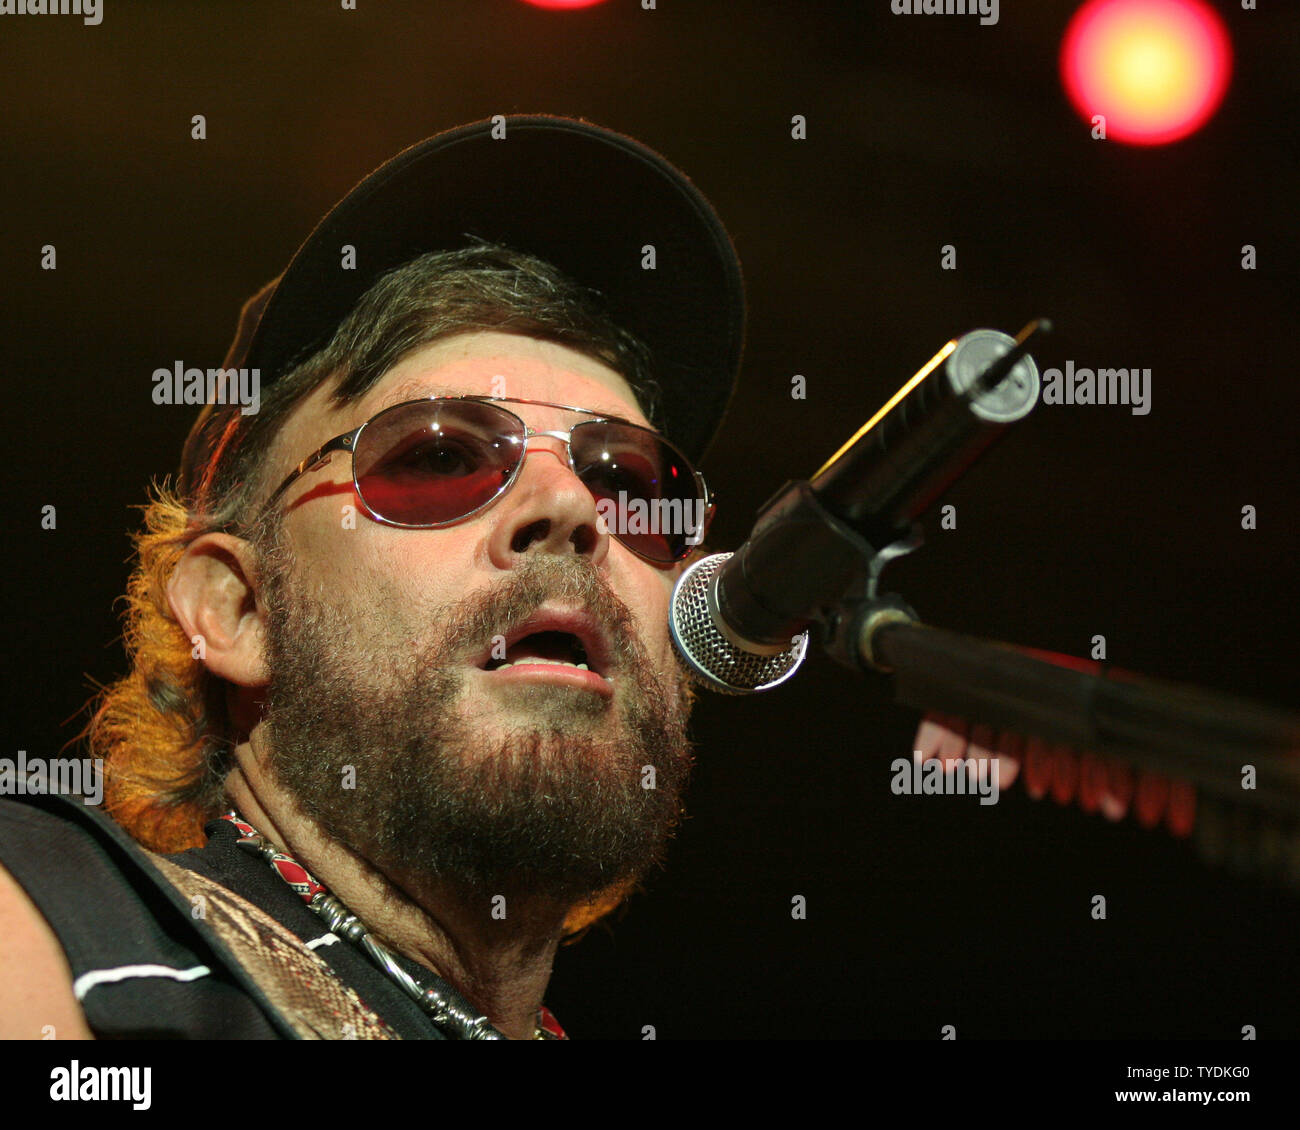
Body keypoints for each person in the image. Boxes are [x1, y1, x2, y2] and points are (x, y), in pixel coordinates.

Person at [0, 115, 748, 1040]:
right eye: (439, 456)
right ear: (237, 611)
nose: (571, 508)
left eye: (630, 483)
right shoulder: (43, 929)